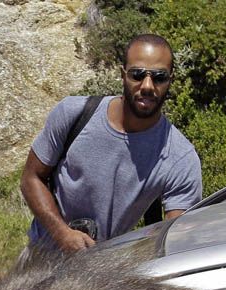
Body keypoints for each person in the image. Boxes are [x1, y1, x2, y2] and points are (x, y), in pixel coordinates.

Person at [20, 34, 202, 253]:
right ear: (123, 74)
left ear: (170, 79)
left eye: (159, 77)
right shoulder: (74, 114)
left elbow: (176, 241)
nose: (147, 85)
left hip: (101, 277)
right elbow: (31, 178)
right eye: (137, 75)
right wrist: (62, 234)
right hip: (38, 261)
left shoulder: (180, 157)